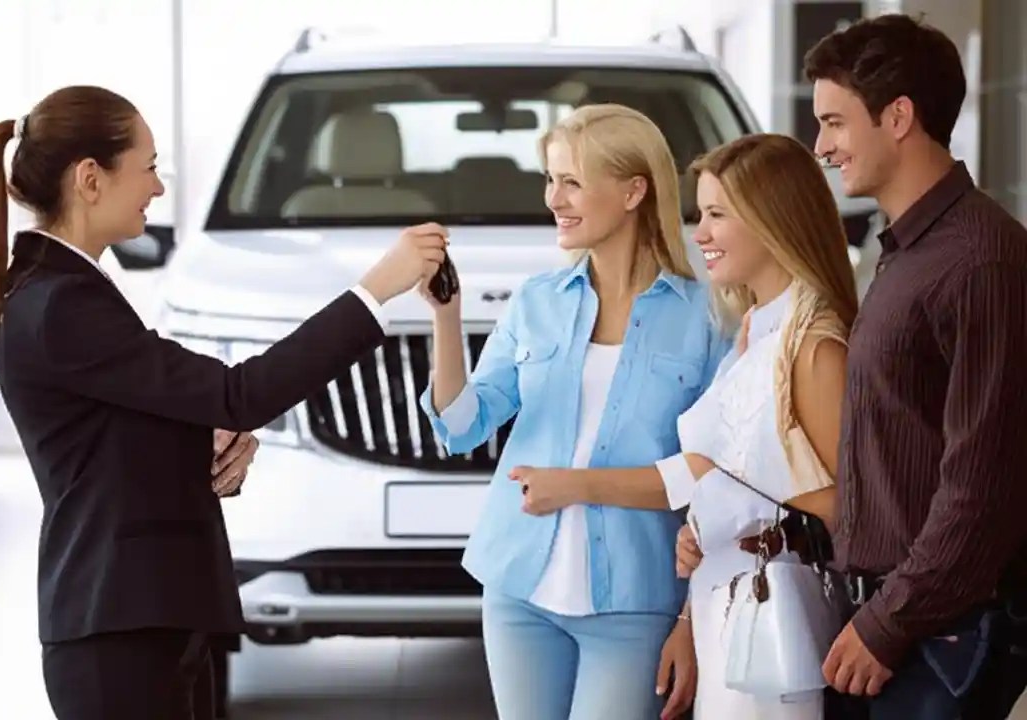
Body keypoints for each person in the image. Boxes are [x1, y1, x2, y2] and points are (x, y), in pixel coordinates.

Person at [0, 85, 447, 719]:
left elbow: (118, 433)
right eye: (149, 167)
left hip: (147, 620)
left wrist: (204, 441)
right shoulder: (62, 305)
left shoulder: (65, 291)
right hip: (120, 631)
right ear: (90, 179)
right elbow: (240, 393)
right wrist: (378, 288)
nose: (158, 188)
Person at [509, 132, 858, 718]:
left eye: (718, 215)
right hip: (725, 607)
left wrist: (730, 509)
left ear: (774, 221)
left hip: (774, 620)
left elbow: (844, 509)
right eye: (701, 214)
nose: (700, 235)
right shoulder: (753, 329)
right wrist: (691, 606)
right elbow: (718, 474)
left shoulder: (815, 346)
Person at [418, 103, 730, 720]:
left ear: (634, 191)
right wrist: (445, 316)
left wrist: (690, 620)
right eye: (550, 179)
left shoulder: (706, 317)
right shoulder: (537, 301)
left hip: (637, 599)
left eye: (572, 182)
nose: (553, 198)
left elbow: (713, 475)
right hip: (518, 588)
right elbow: (461, 427)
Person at [803, 13, 1027, 719]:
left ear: (898, 117)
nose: (821, 146)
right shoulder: (907, 252)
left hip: (936, 637)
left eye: (835, 123)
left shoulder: (982, 260)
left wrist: (888, 622)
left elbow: (984, 484)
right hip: (889, 626)